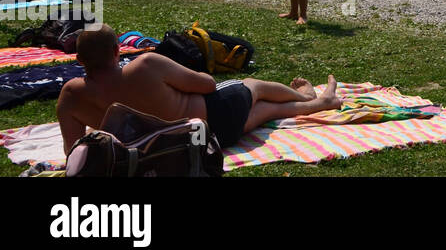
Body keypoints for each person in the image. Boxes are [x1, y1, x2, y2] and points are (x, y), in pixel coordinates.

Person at [57, 26, 341, 156]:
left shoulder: (71, 95)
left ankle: (317, 102)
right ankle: (308, 97)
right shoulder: (145, 65)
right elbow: (206, 85)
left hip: (184, 148)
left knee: (267, 111)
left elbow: (74, 150)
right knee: (252, 87)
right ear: (118, 52)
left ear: (80, 60)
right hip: (213, 124)